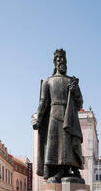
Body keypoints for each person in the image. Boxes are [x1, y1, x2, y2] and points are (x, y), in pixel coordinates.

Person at [32, 49, 84, 183]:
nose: (61, 61)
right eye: (59, 59)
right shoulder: (48, 81)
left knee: (69, 143)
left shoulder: (71, 81)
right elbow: (43, 102)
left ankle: (71, 169)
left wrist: (75, 92)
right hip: (54, 116)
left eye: (63, 59)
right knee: (55, 145)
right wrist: (38, 118)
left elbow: (79, 104)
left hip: (69, 116)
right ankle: (58, 170)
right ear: (54, 62)